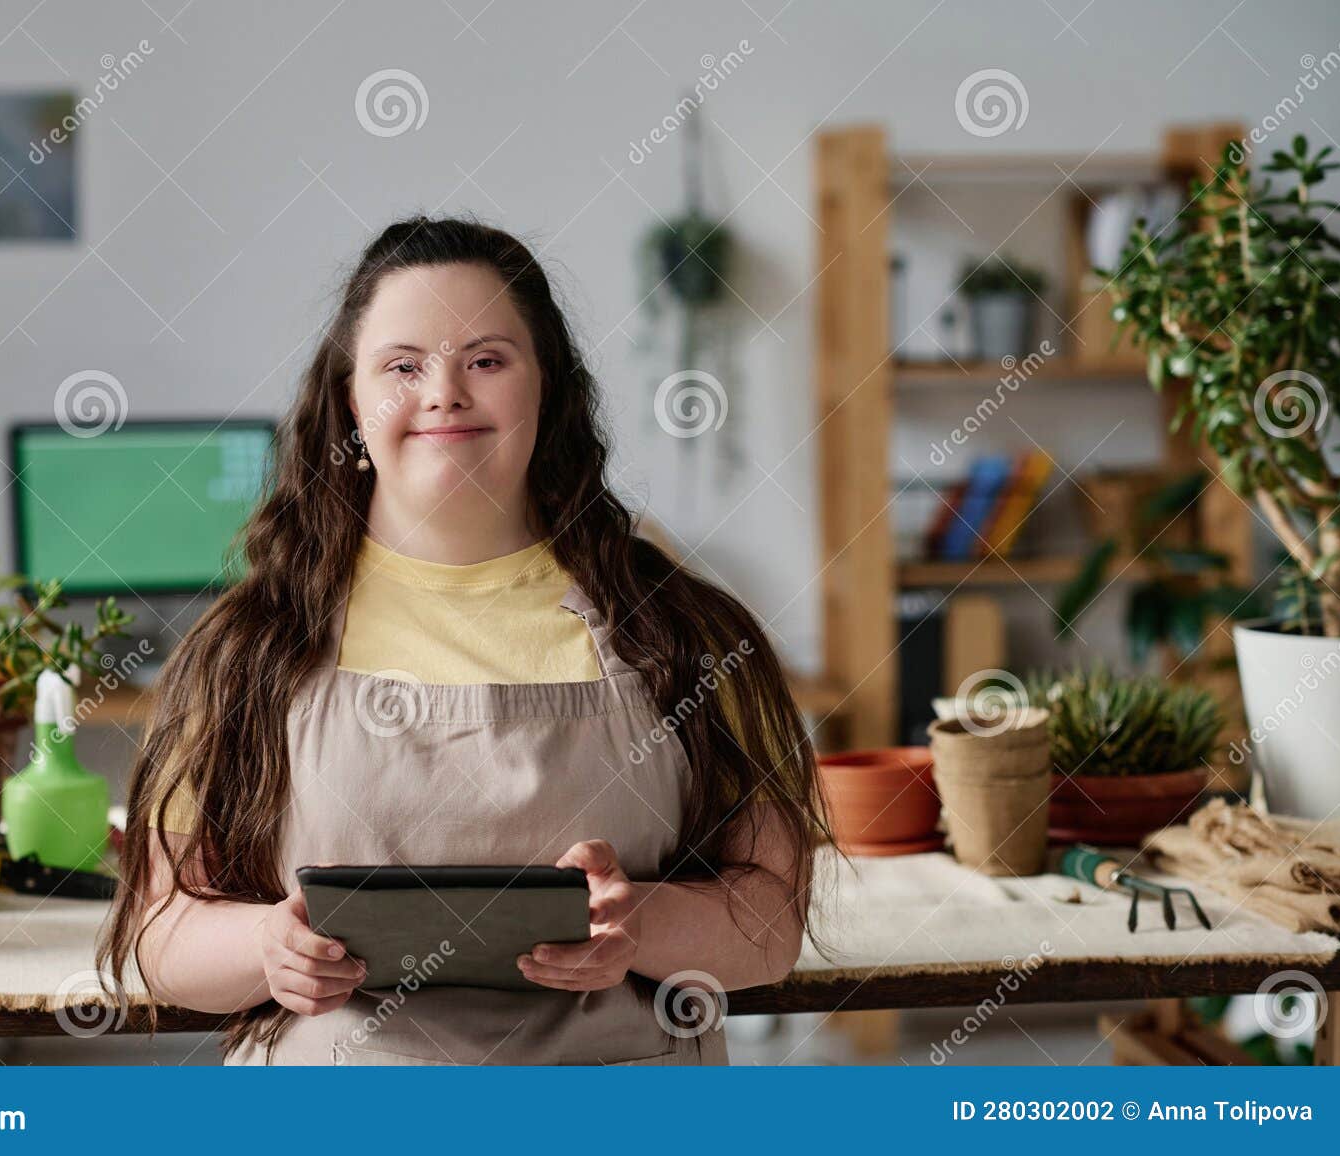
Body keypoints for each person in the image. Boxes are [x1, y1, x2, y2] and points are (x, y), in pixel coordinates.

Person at [99, 215, 828, 1066]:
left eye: (486, 360)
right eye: (402, 366)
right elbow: (160, 929)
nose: (443, 392)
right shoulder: (248, 648)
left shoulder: (685, 631)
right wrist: (266, 948)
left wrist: (643, 923)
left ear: (545, 388)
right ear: (349, 401)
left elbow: (771, 921)